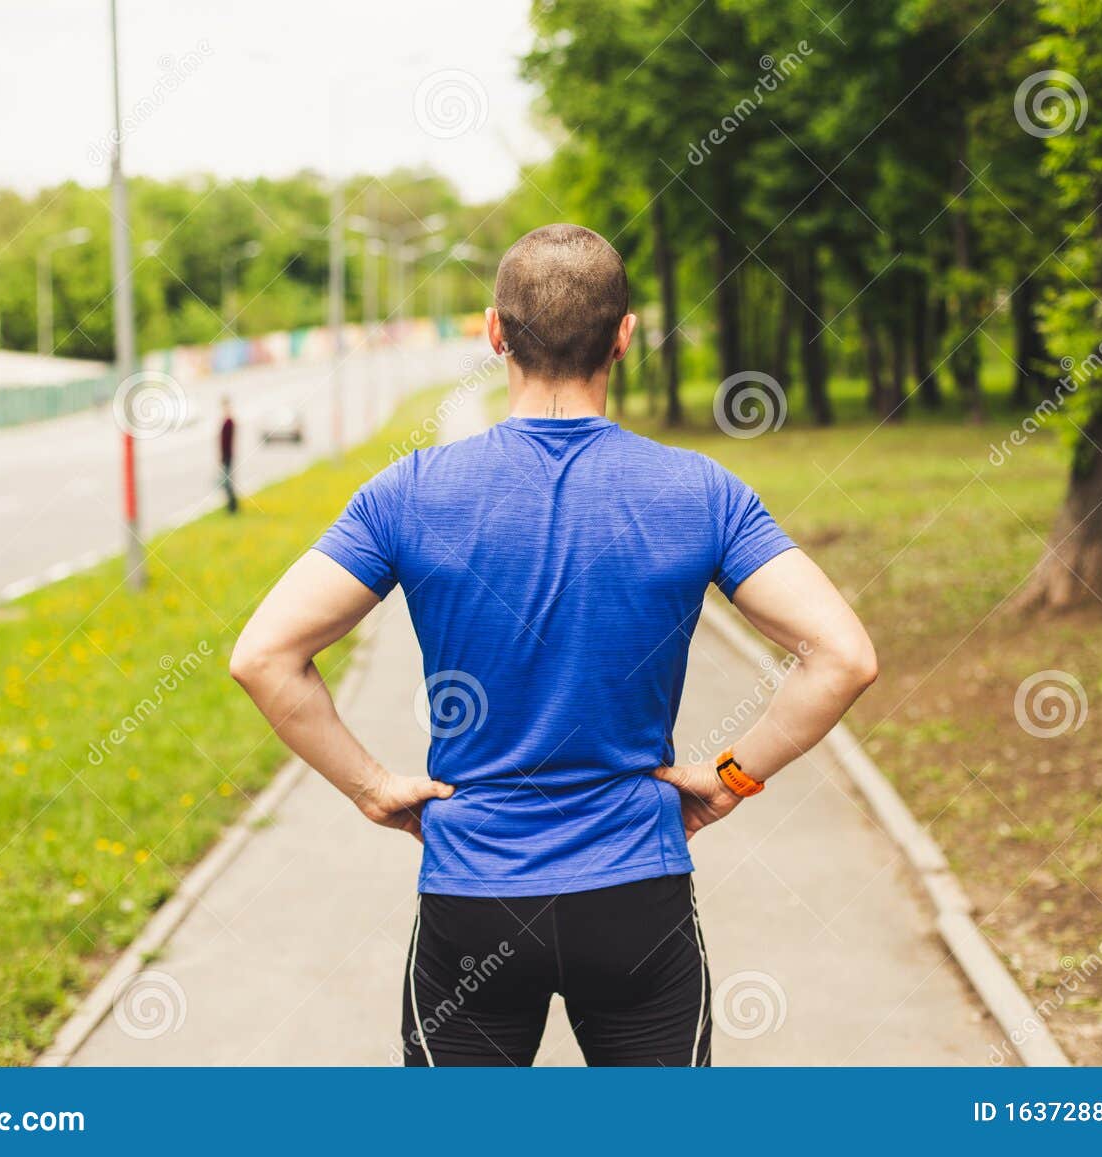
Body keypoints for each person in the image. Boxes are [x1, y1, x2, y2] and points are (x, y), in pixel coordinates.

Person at [230, 224, 878, 1067]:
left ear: (495, 332)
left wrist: (373, 787)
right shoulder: (702, 491)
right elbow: (844, 657)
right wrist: (729, 779)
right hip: (637, 895)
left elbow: (263, 656)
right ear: (625, 336)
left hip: (473, 898)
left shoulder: (409, 493)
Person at [219, 396, 238, 515]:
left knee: (228, 482)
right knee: (227, 481)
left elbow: (226, 441)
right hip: (226, 455)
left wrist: (224, 455)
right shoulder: (227, 421)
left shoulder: (229, 421)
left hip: (228, 456)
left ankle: (232, 507)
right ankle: (231, 506)